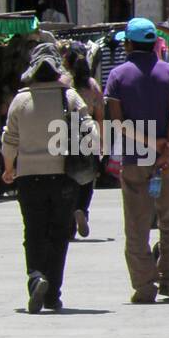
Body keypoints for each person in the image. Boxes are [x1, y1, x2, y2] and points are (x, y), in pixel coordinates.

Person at [1, 43, 98, 313]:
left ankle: (36, 277)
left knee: (33, 231)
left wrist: (9, 168)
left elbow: (9, 140)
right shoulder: (70, 98)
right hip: (63, 178)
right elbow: (93, 135)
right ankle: (53, 294)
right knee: (58, 234)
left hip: (29, 178)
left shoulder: (21, 100)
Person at [103, 18, 169, 303]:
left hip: (135, 160)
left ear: (128, 43)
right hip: (168, 162)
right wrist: (166, 148)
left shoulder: (117, 76)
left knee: (137, 227)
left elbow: (119, 123)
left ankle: (144, 286)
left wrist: (151, 143)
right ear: (154, 44)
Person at [61, 42, 104, 238]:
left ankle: (69, 220)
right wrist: (102, 141)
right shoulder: (92, 85)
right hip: (89, 130)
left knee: (67, 176)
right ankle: (82, 210)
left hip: (66, 132)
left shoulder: (63, 82)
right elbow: (101, 115)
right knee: (89, 176)